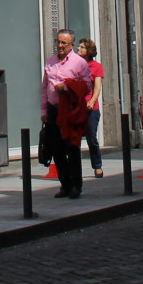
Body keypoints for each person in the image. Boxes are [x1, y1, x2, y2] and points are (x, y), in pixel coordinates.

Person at [42, 28, 91, 198]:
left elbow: (87, 86)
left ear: (72, 44)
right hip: (53, 109)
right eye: (58, 42)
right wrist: (43, 110)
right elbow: (44, 88)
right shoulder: (50, 62)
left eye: (64, 42)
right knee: (57, 149)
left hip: (70, 110)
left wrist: (67, 86)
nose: (60, 45)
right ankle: (65, 185)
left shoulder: (79, 63)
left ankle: (76, 185)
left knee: (72, 147)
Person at [77, 37, 106, 178]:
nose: (78, 49)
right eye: (78, 46)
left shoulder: (96, 67)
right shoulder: (75, 65)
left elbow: (97, 86)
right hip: (77, 108)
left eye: (82, 47)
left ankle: (97, 166)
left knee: (91, 139)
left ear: (89, 51)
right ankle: (75, 170)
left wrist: (93, 100)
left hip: (91, 109)